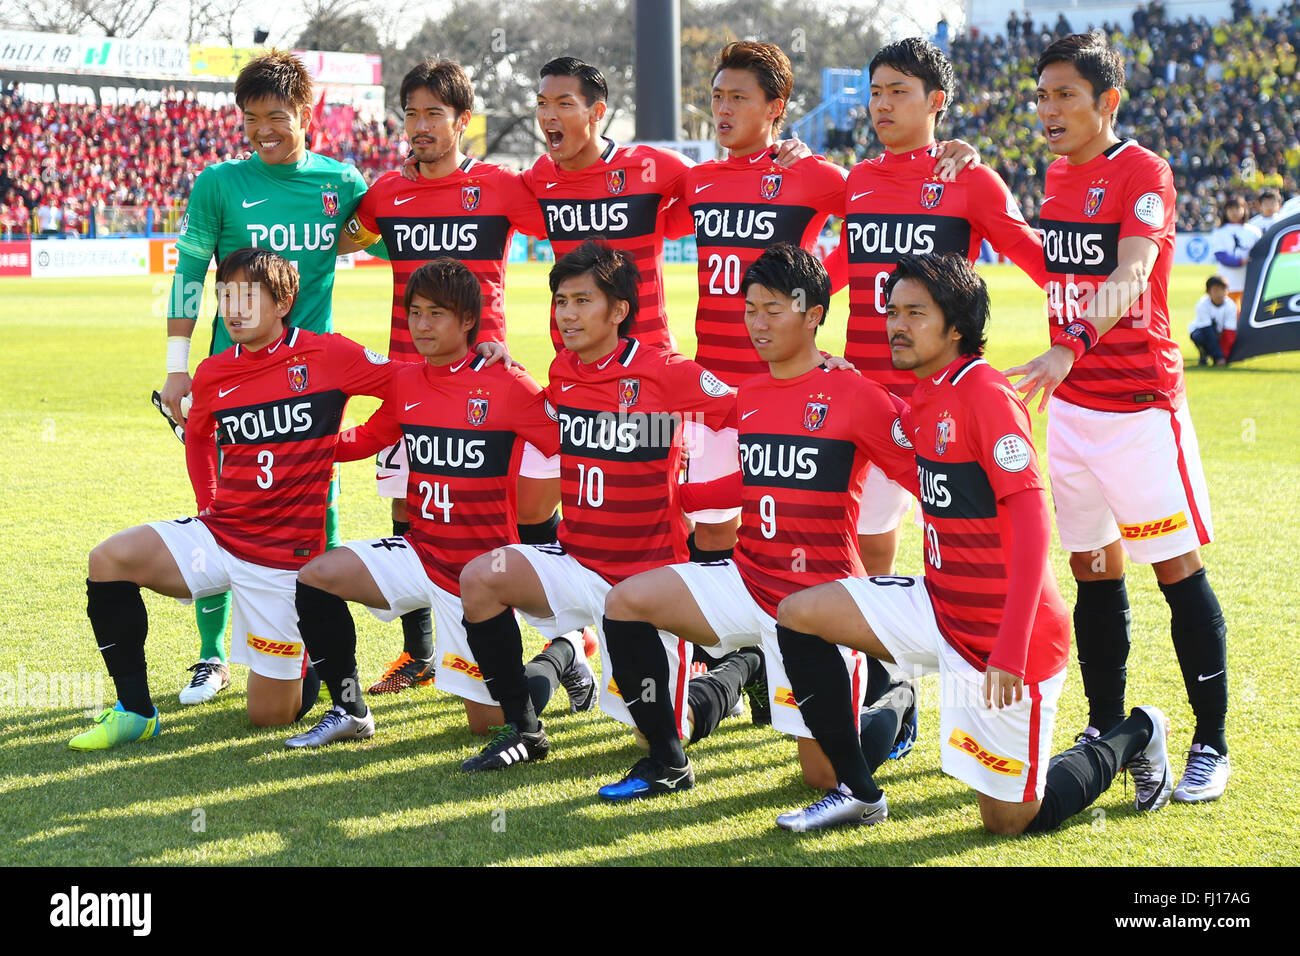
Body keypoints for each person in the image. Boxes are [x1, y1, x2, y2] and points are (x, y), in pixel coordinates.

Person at [772, 252, 1174, 834]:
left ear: (956, 326)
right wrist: (845, 381)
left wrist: (1009, 648)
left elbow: (1035, 521)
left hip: (1009, 635)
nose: (896, 324)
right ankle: (858, 791)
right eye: (892, 311)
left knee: (1011, 820)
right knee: (800, 614)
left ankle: (1139, 731)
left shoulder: (984, 392)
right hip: (939, 608)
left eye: (916, 312)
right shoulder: (925, 393)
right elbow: (908, 447)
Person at [594, 244, 916, 801]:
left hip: (818, 601)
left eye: (773, 308)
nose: (757, 323)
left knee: (823, 777)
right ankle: (668, 763)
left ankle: (898, 696)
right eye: (750, 308)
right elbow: (752, 481)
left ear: (814, 313)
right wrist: (678, 494)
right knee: (625, 602)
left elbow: (925, 470)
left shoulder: (857, 394)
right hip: (747, 580)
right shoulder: (751, 395)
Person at [1008, 32, 1229, 802]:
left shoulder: (1143, 171)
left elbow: (1133, 270)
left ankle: (1213, 742)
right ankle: (1108, 728)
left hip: (1138, 409)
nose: (1048, 110)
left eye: (1064, 94)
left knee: (1175, 572)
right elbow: (1050, 260)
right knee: (1093, 574)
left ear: (1107, 100)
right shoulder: (1054, 176)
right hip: (1069, 415)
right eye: (1040, 95)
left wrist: (1069, 344)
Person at [70, 248, 397, 751]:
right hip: (221, 535)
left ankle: (307, 653)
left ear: (285, 300)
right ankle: (136, 709)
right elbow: (199, 436)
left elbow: (409, 387)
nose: (234, 308)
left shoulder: (329, 355)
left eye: (248, 295)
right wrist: (209, 501)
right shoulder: (214, 372)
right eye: (224, 296)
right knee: (108, 559)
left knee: (268, 717)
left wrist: (346, 445)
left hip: (284, 561)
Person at [456, 240, 739, 772]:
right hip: (577, 562)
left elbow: (748, 410)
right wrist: (497, 363)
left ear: (619, 310)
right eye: (561, 301)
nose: (567, 314)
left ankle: (739, 669)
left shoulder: (666, 371)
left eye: (582, 301)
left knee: (663, 730)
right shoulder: (564, 372)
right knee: (480, 578)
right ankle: (527, 731)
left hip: (648, 580)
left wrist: (822, 372)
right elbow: (530, 408)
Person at [285, 258, 579, 746]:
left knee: (491, 725)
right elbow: (361, 440)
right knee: (318, 578)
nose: (421, 325)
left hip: (481, 572)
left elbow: (568, 444)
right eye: (415, 312)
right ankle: (349, 708)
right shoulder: (406, 382)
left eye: (436, 314)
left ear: (468, 322)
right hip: (420, 554)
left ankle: (563, 654)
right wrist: (294, 439)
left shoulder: (506, 382)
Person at [340, 58, 560, 696]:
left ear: (464, 121)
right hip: (408, 375)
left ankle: (556, 639)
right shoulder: (386, 194)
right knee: (409, 500)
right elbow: (340, 237)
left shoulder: (498, 186)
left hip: (485, 379)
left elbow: (564, 218)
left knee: (510, 505)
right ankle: (419, 652)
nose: (420, 126)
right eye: (410, 113)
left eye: (434, 113)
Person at [157, 51, 370, 709]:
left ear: (306, 112)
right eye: (251, 119)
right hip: (235, 383)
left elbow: (397, 240)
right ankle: (212, 656)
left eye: (275, 117)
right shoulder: (219, 183)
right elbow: (191, 274)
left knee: (319, 514)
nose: (262, 131)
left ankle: (313, 649)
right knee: (222, 513)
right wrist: (176, 366)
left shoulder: (341, 182)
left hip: (312, 386)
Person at [831, 37, 1045, 580]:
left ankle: (969, 642)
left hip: (940, 398)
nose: (881, 104)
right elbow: (841, 268)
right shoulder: (858, 181)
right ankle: (879, 663)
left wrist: (1093, 315)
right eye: (875, 92)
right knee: (864, 536)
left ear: (936, 101)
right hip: (867, 390)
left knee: (958, 539)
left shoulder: (968, 178)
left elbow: (1041, 262)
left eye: (898, 92)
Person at [1209, 194, 1261, 311]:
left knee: (1248, 313)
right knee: (1231, 314)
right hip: (1228, 280)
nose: (1234, 212)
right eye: (1231, 209)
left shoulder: (1254, 231)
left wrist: (1253, 261)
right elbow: (1220, 255)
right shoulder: (1219, 232)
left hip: (1250, 279)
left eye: (1238, 208)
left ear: (1244, 210)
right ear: (1225, 212)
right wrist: (1240, 261)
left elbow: (1261, 252)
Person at [1188, 275, 1235, 366]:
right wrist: (1219, 357)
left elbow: (1230, 332)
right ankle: (1204, 354)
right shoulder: (1202, 304)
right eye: (1216, 290)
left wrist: (1224, 356)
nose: (1220, 293)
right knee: (1199, 336)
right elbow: (1207, 331)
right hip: (1204, 331)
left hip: (1221, 333)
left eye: (1223, 289)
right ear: (1208, 292)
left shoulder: (1231, 305)